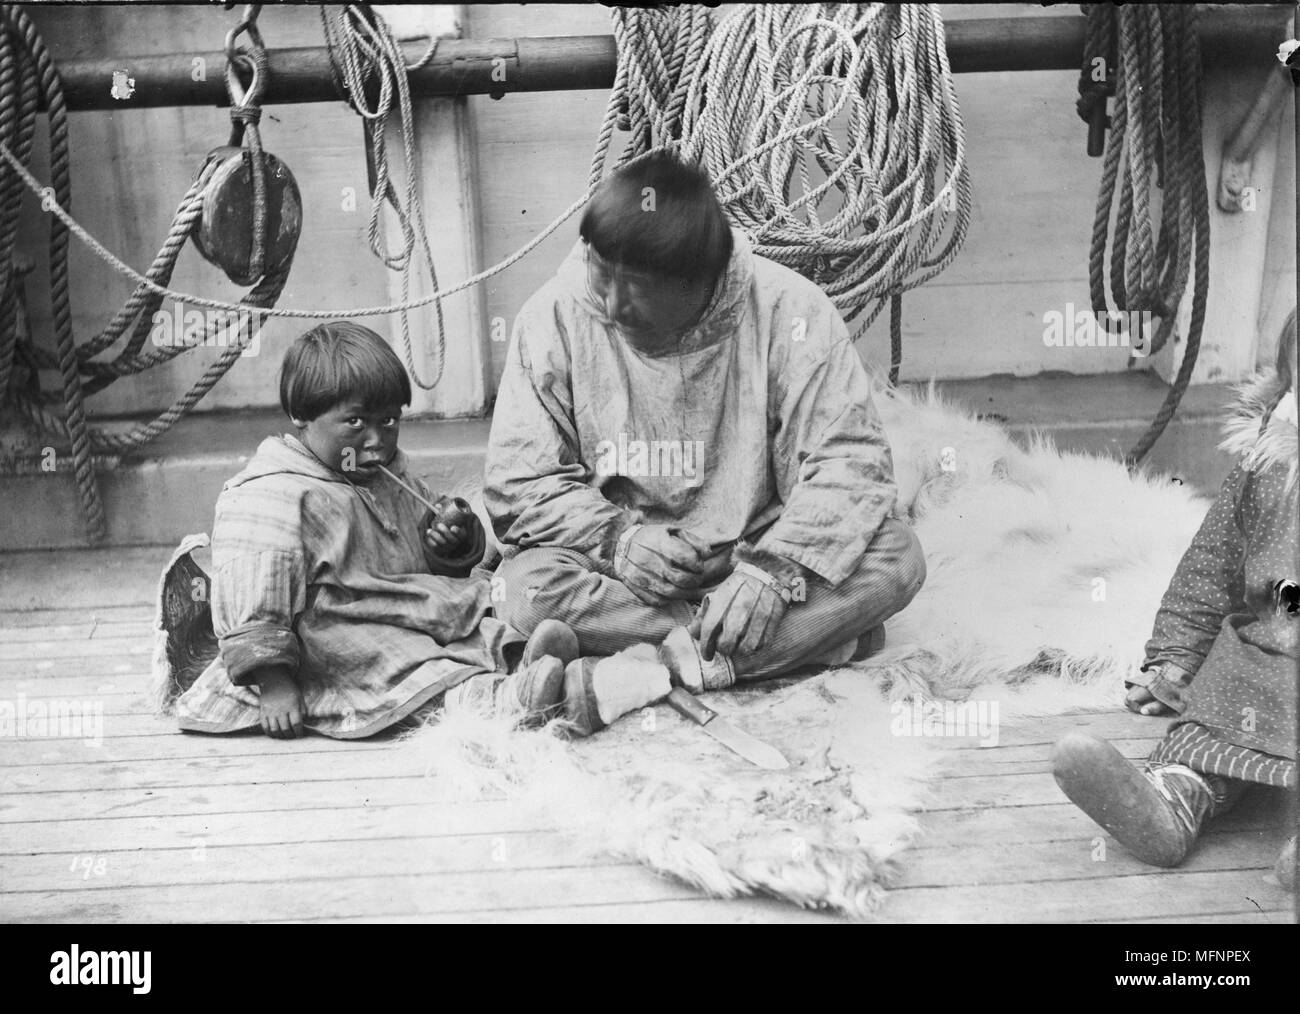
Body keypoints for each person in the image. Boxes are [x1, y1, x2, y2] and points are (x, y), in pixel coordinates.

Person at [483, 151, 926, 722]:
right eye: (602, 273)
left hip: (758, 552)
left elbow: (849, 462)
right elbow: (519, 482)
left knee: (899, 557)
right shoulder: (552, 315)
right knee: (522, 589)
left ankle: (630, 668)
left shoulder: (791, 309)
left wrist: (773, 570)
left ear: (702, 282)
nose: (614, 306)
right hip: (622, 571)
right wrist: (619, 540)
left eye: (637, 288)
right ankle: (803, 642)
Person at [172, 321, 578, 740]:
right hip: (331, 636)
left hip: (401, 604)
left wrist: (448, 543)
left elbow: (420, 544)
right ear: (301, 416)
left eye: (388, 421)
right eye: (355, 423)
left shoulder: (380, 472)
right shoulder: (273, 495)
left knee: (476, 617)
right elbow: (254, 602)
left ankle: (524, 658)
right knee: (405, 665)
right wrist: (274, 682)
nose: (376, 441)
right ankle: (505, 698)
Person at [1052, 320, 1298, 889]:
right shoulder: (1267, 466)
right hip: (1262, 657)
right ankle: (1169, 804)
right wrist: (1176, 658)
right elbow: (1211, 567)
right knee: (1201, 736)